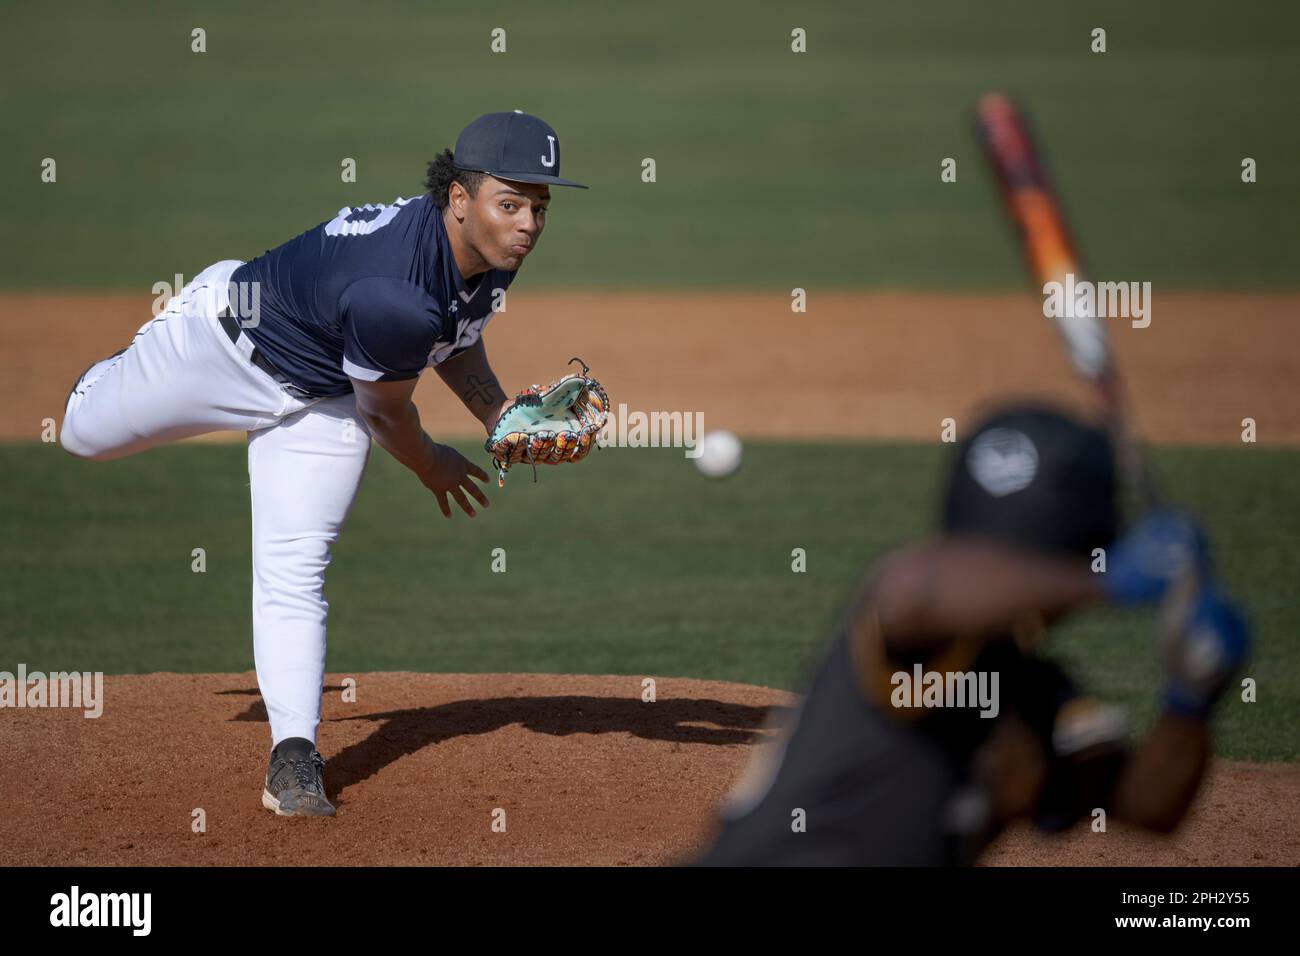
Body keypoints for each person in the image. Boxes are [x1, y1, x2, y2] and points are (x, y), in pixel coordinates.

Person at [60, 111, 587, 817]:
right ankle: (115, 372)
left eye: (540, 206)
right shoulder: (393, 293)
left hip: (326, 396)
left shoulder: (488, 253)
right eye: (511, 203)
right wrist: (433, 465)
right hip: (221, 346)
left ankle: (293, 759)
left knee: (296, 565)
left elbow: (453, 337)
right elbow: (389, 414)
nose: (528, 223)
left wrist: (496, 413)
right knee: (83, 435)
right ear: (459, 199)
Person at [696, 404, 1249, 865]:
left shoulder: (1033, 696)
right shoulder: (917, 639)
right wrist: (1109, 580)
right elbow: (913, 589)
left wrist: (1191, 699)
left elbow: (1148, 805)